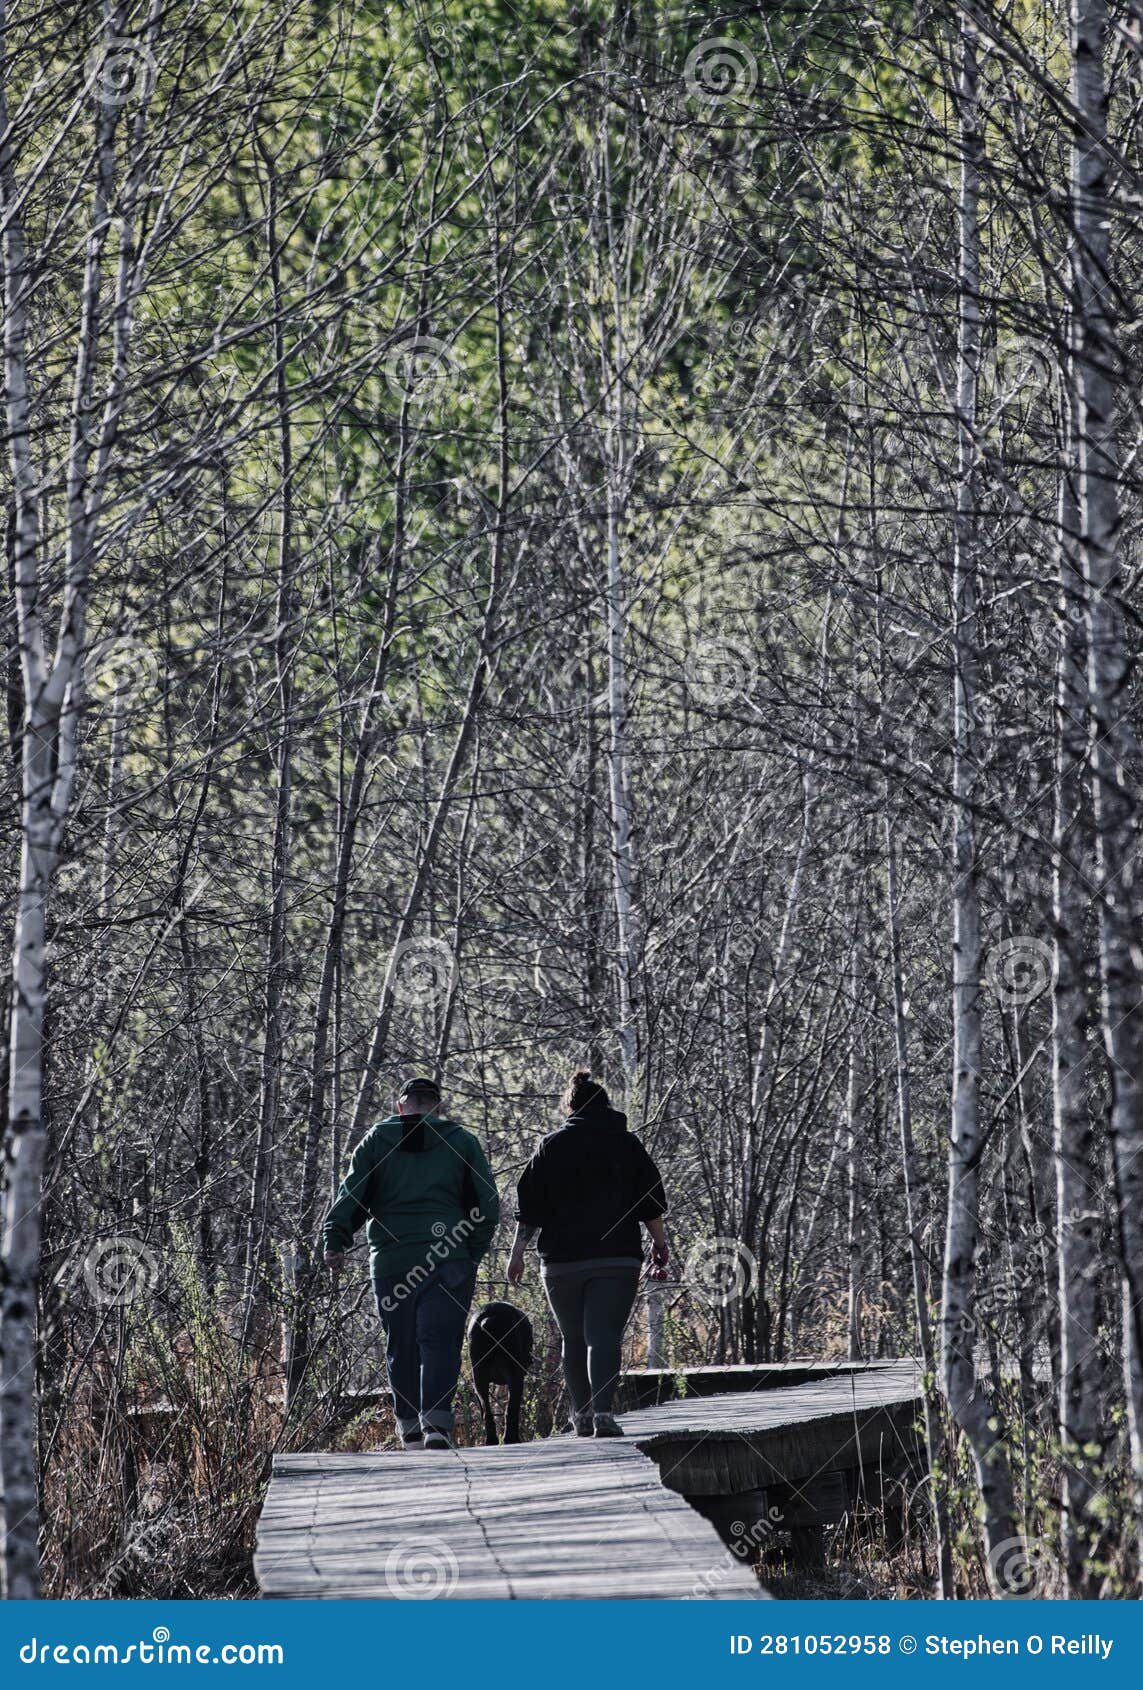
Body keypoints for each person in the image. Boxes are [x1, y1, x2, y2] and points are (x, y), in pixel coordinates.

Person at [323, 1076, 499, 1450]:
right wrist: (472, 1251)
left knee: (400, 1345)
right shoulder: (461, 1141)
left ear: (401, 1107)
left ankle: (409, 1429)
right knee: (440, 1341)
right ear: (438, 1106)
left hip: (392, 1259)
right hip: (449, 1258)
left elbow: (352, 1194)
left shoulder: (375, 1141)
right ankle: (436, 1423)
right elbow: (488, 1204)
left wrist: (335, 1239)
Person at [507, 1070, 668, 1437]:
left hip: (562, 1261)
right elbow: (650, 1203)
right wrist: (660, 1245)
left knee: (574, 1337)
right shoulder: (627, 1145)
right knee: (604, 1335)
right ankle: (603, 1414)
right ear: (606, 1106)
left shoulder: (550, 1146)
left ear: (570, 1106)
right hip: (617, 1257)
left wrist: (516, 1253)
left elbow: (529, 1207)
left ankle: (580, 1415)